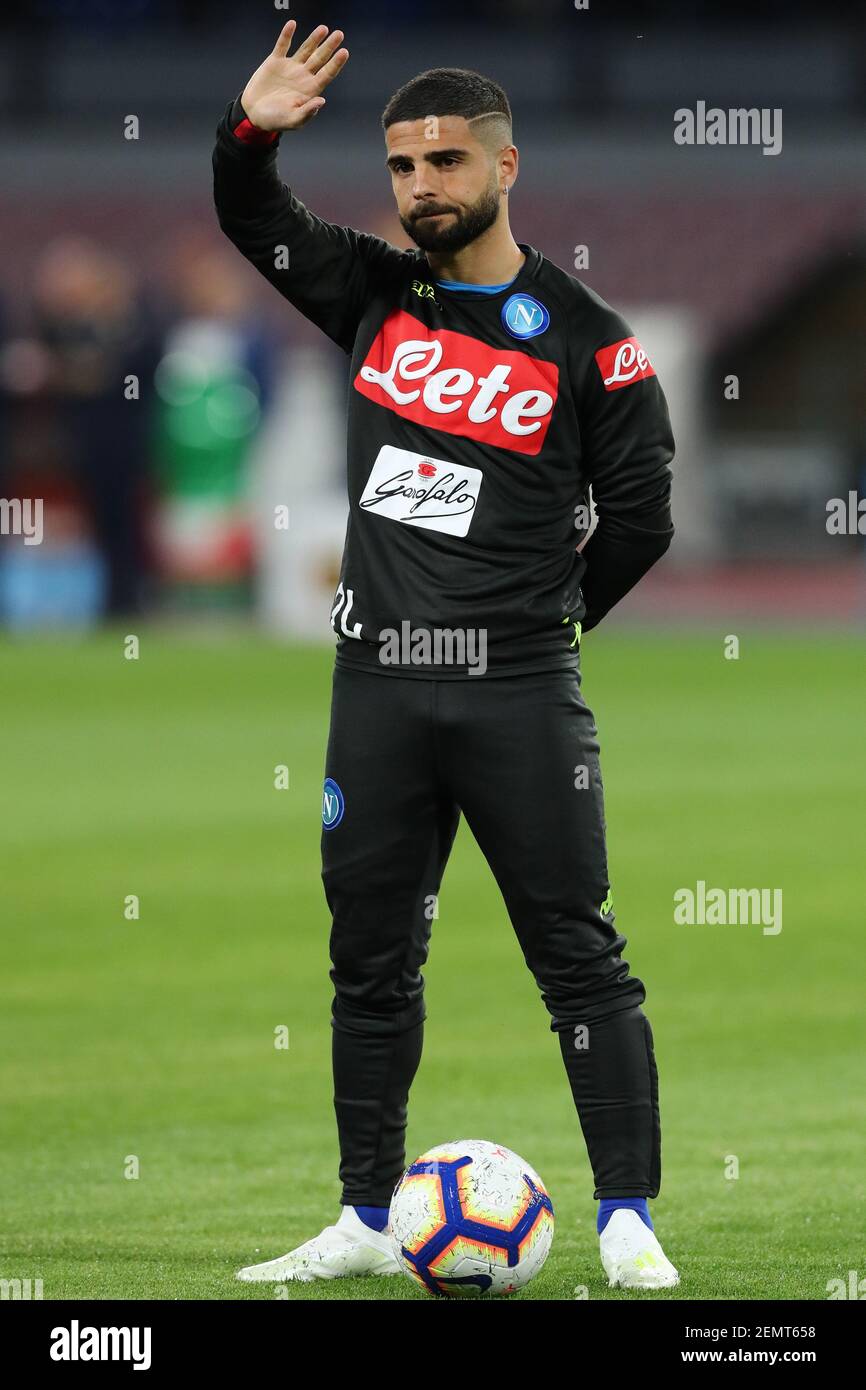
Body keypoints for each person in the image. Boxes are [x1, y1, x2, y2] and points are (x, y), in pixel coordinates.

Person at [214, 20, 678, 1291]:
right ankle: (366, 1215)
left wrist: (542, 622)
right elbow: (248, 214)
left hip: (518, 693)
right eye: (402, 166)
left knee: (576, 954)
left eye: (445, 163)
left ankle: (626, 1217)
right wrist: (252, 130)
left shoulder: (589, 339)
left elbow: (641, 514)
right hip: (374, 691)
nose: (421, 186)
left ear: (504, 166)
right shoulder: (367, 288)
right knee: (367, 961)